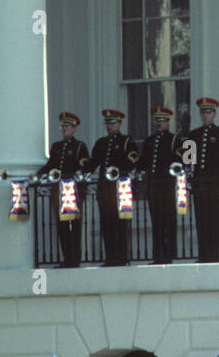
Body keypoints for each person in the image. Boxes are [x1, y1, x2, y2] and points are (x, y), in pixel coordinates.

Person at [38, 111, 90, 268]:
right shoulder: (56, 146)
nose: (64, 129)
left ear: (74, 128)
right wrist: (39, 174)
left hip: (72, 189)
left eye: (67, 126)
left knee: (74, 225)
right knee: (61, 225)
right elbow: (50, 166)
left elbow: (84, 165)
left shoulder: (79, 146)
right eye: (63, 126)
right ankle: (66, 257)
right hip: (58, 189)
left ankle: (74, 258)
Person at [88, 108, 139, 266]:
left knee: (120, 223)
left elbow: (133, 160)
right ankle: (110, 256)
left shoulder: (126, 141)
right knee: (106, 223)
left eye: (112, 123)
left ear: (119, 123)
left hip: (120, 189)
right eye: (107, 123)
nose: (109, 126)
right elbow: (92, 163)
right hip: (105, 189)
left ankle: (121, 256)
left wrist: (123, 171)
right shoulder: (101, 143)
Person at [187, 96, 219, 262]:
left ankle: (215, 253)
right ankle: (203, 254)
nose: (205, 116)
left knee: (215, 220)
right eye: (202, 112)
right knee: (201, 220)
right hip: (200, 185)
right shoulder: (193, 134)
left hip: (215, 185)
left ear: (214, 114)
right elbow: (187, 161)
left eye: (208, 112)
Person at [138, 105, 184, 264]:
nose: (159, 123)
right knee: (156, 222)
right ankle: (158, 255)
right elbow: (143, 162)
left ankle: (170, 254)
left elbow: (184, 160)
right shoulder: (150, 141)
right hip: (153, 187)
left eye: (162, 120)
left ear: (168, 121)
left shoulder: (174, 139)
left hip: (168, 187)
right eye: (157, 120)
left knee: (169, 221)